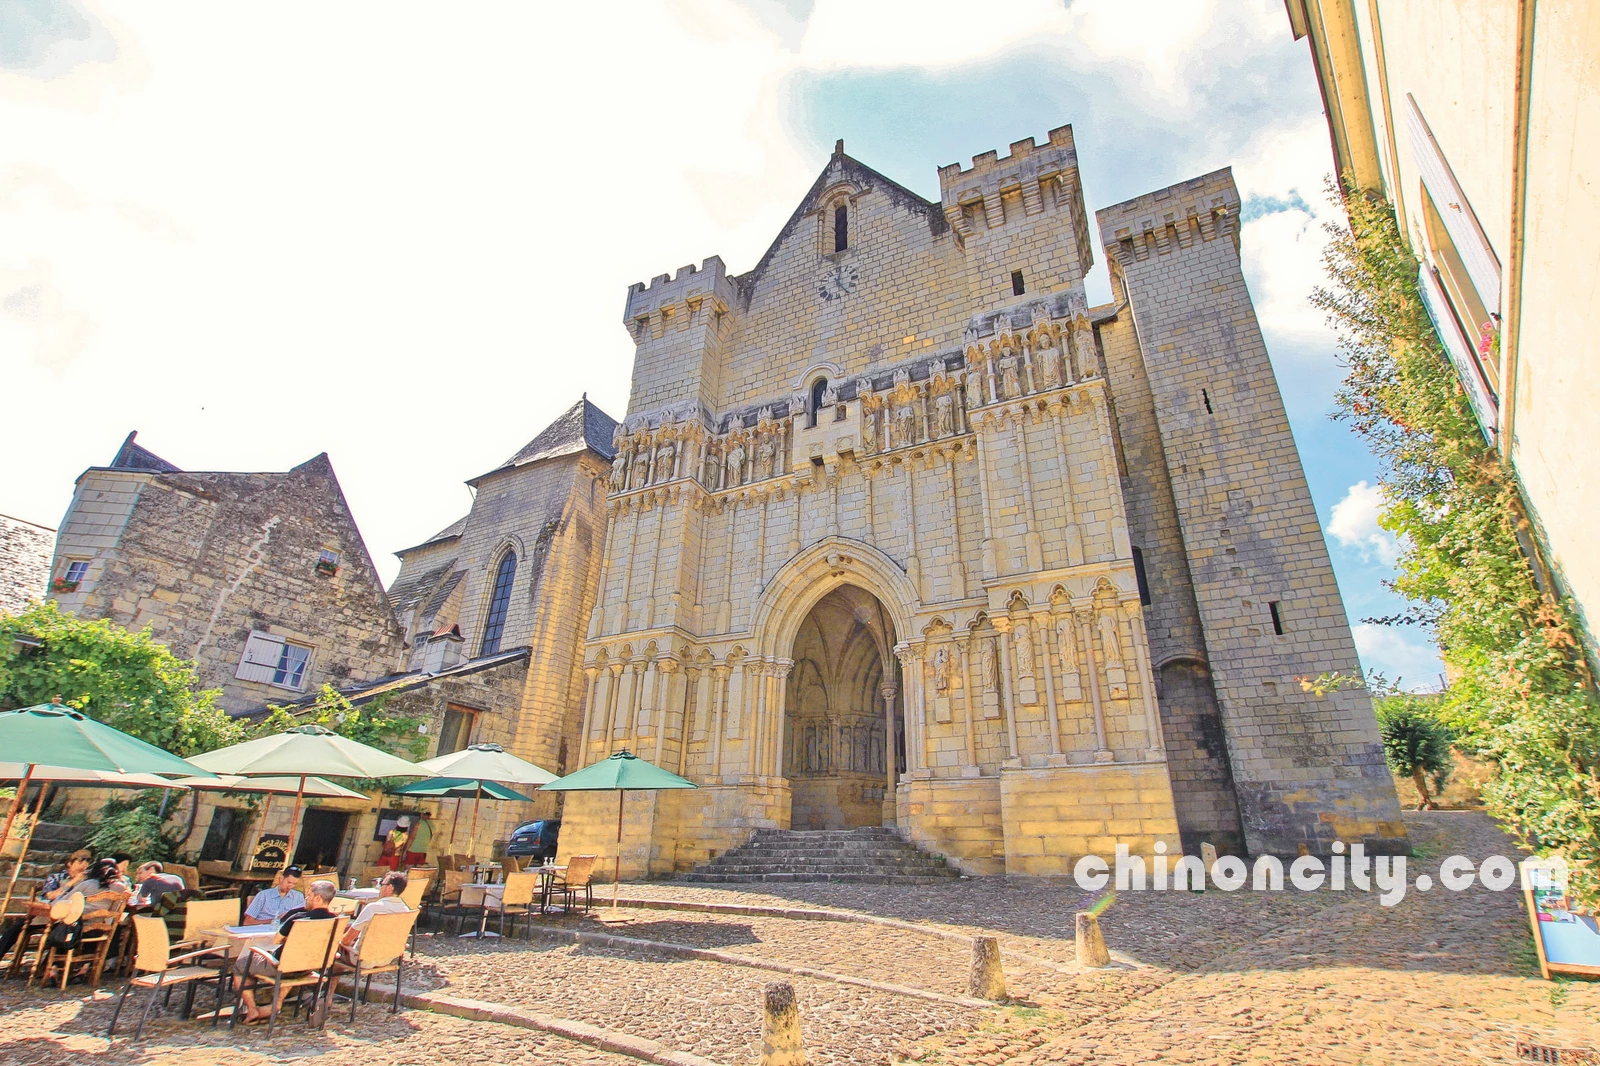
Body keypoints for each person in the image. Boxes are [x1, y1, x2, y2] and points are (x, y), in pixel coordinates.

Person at [233, 878, 338, 1024]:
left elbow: (276, 940)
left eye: (309, 895)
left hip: (283, 966)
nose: (306, 898)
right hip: (309, 967)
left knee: (241, 964)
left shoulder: (298, 918)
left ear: (318, 898)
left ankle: (252, 1009)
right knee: (292, 960)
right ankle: (276, 1004)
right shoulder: (336, 920)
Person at [0, 849, 97, 960]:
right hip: (47, 914)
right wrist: (73, 882)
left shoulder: (88, 882)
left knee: (68, 929)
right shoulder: (56, 877)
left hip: (69, 919)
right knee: (16, 927)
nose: (83, 866)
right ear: (70, 864)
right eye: (80, 862)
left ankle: (51, 966)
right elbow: (50, 896)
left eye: (87, 863)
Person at [339, 872, 410, 960]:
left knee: (332, 945)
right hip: (387, 958)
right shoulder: (406, 910)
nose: (380, 888)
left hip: (362, 958)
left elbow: (346, 940)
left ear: (390, 888)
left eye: (382, 884)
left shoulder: (373, 908)